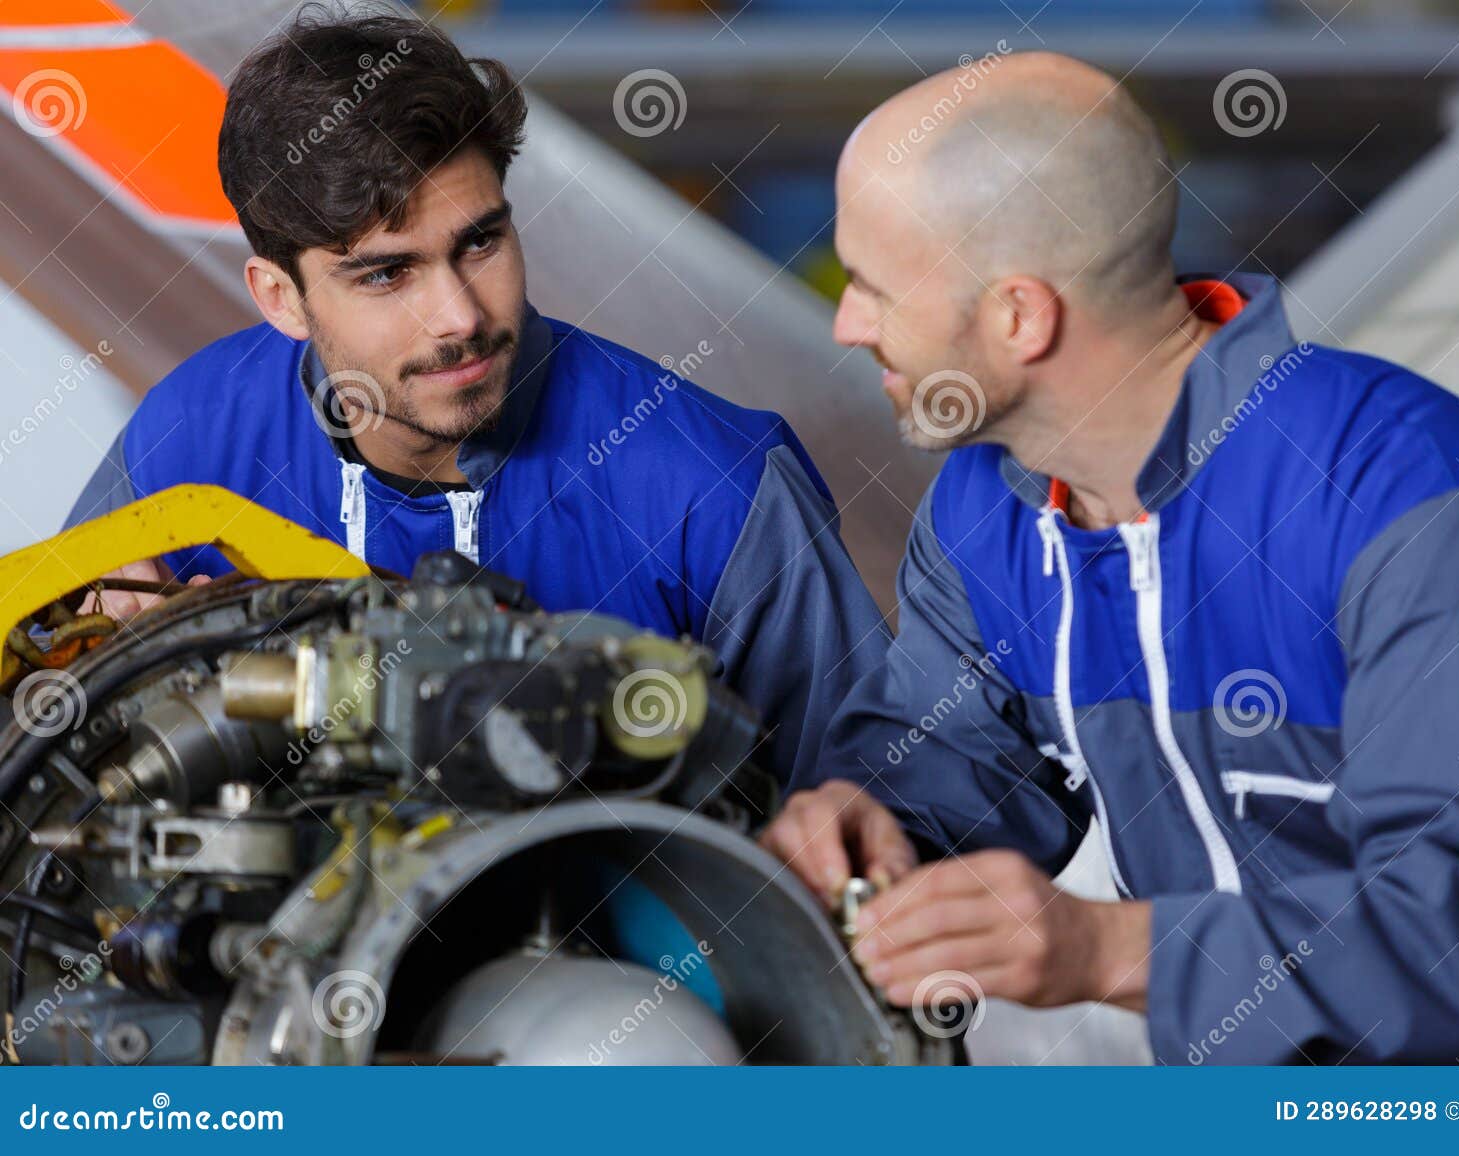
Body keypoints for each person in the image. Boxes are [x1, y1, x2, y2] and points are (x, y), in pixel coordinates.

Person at [761, 51, 1459, 1062]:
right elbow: (943, 761)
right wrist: (867, 817)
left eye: (872, 285)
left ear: (1020, 316)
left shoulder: (1411, 507)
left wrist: (1104, 948)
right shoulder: (985, 513)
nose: (846, 324)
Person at [61, 9, 887, 789]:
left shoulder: (714, 488)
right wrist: (101, 684)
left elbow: (872, 827)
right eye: (387, 273)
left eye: (480, 241)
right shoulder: (184, 443)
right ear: (280, 298)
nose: (460, 316)